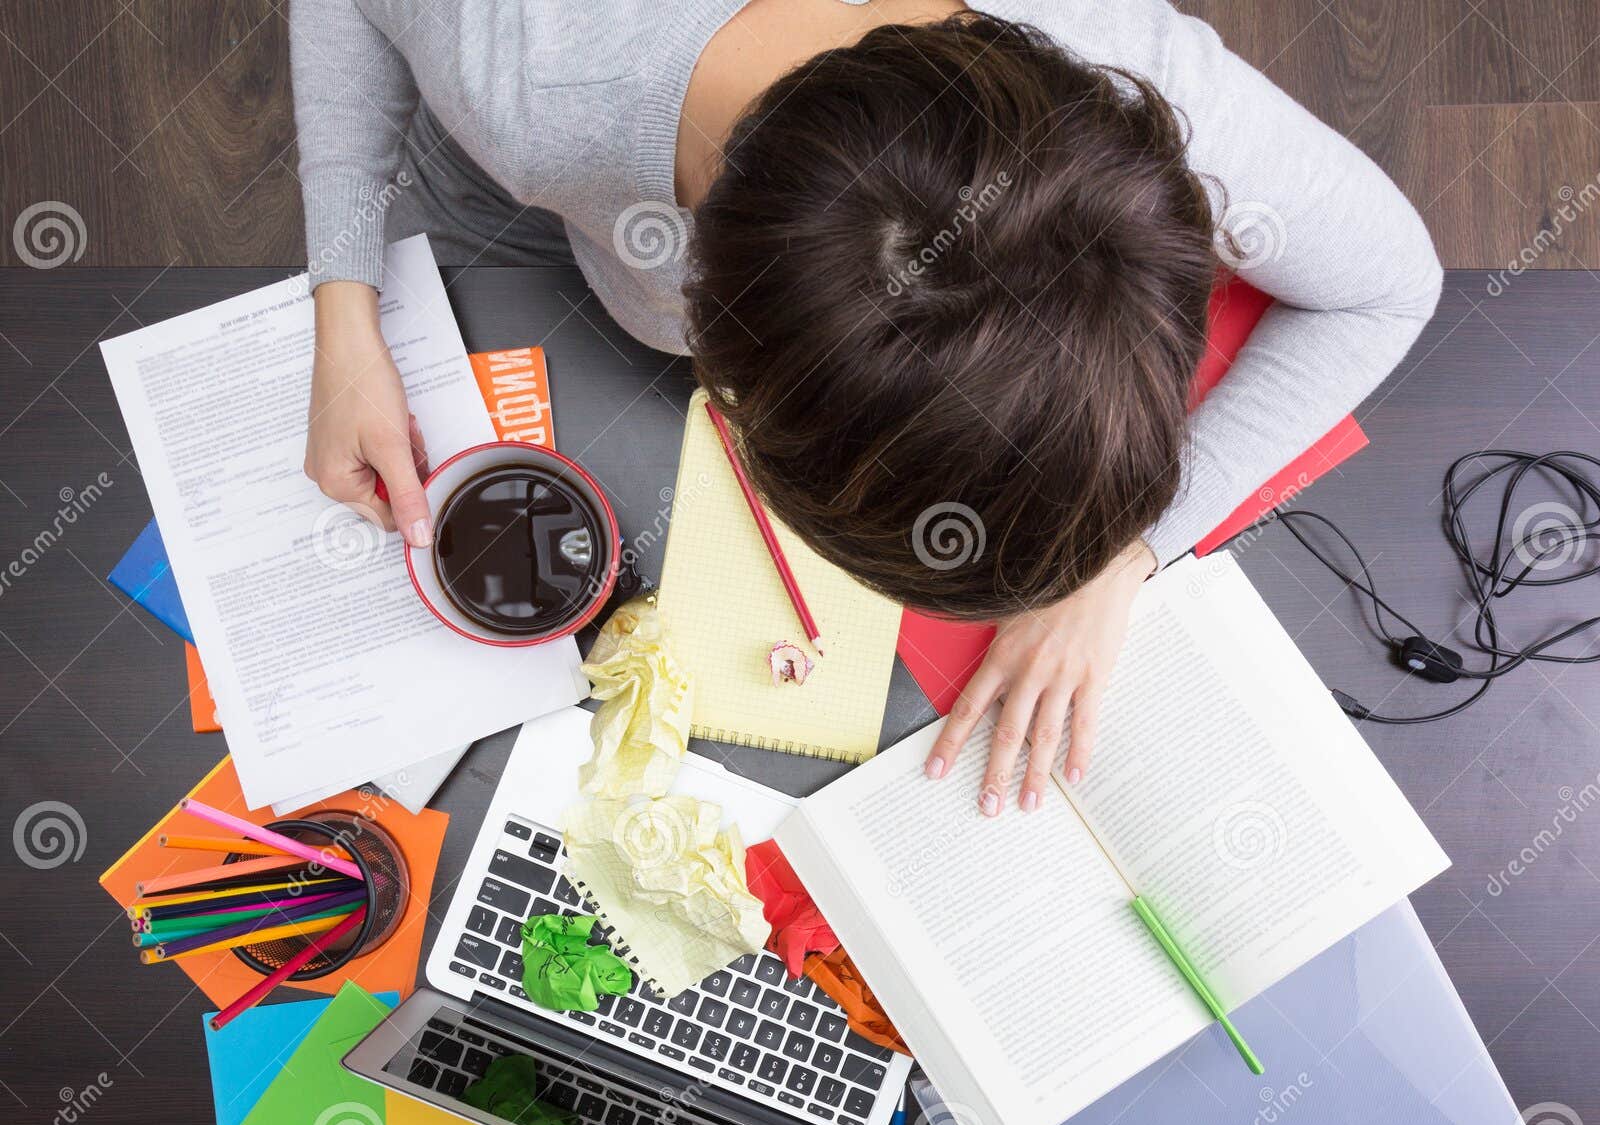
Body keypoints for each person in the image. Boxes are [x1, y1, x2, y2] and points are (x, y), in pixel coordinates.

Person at [292, 0, 1442, 814]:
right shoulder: (535, 77)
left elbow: (1390, 284)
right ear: (730, 393)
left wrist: (1120, 557)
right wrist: (339, 306)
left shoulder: (1117, 81)